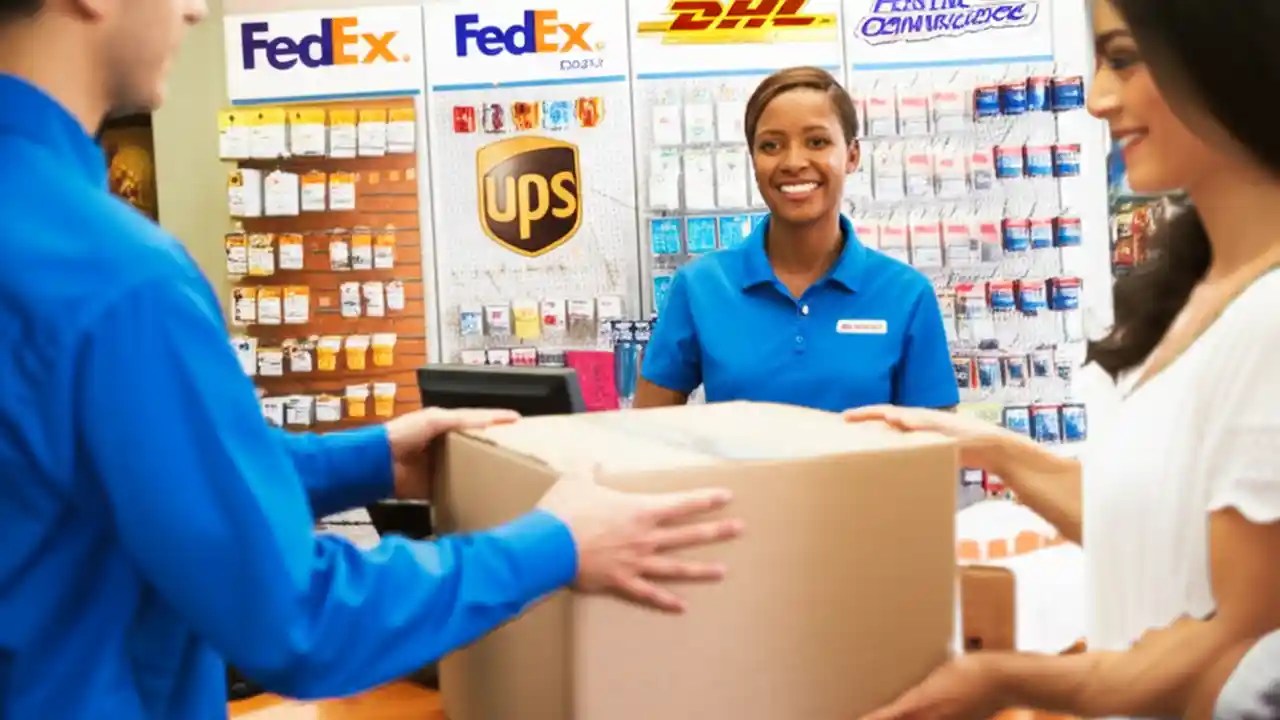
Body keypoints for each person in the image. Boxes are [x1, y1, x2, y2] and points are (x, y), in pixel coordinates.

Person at [0, 1, 745, 717]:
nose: (195, 10)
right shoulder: (118, 279)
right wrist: (555, 544)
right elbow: (295, 618)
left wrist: (371, 460)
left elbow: (127, 476)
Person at [845, 1, 1280, 718]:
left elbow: (1234, 642)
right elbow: (1153, 535)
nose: (1097, 96)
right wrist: (989, 450)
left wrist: (1008, 683)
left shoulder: (1267, 317)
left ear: (1221, 54)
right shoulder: (1197, 297)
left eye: (1124, 58)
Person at [635, 66, 959, 413]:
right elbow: (646, 437)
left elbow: (940, 453)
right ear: (753, 160)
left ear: (851, 155)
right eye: (771, 145)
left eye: (817, 142)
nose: (793, 162)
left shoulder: (906, 294)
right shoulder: (701, 286)